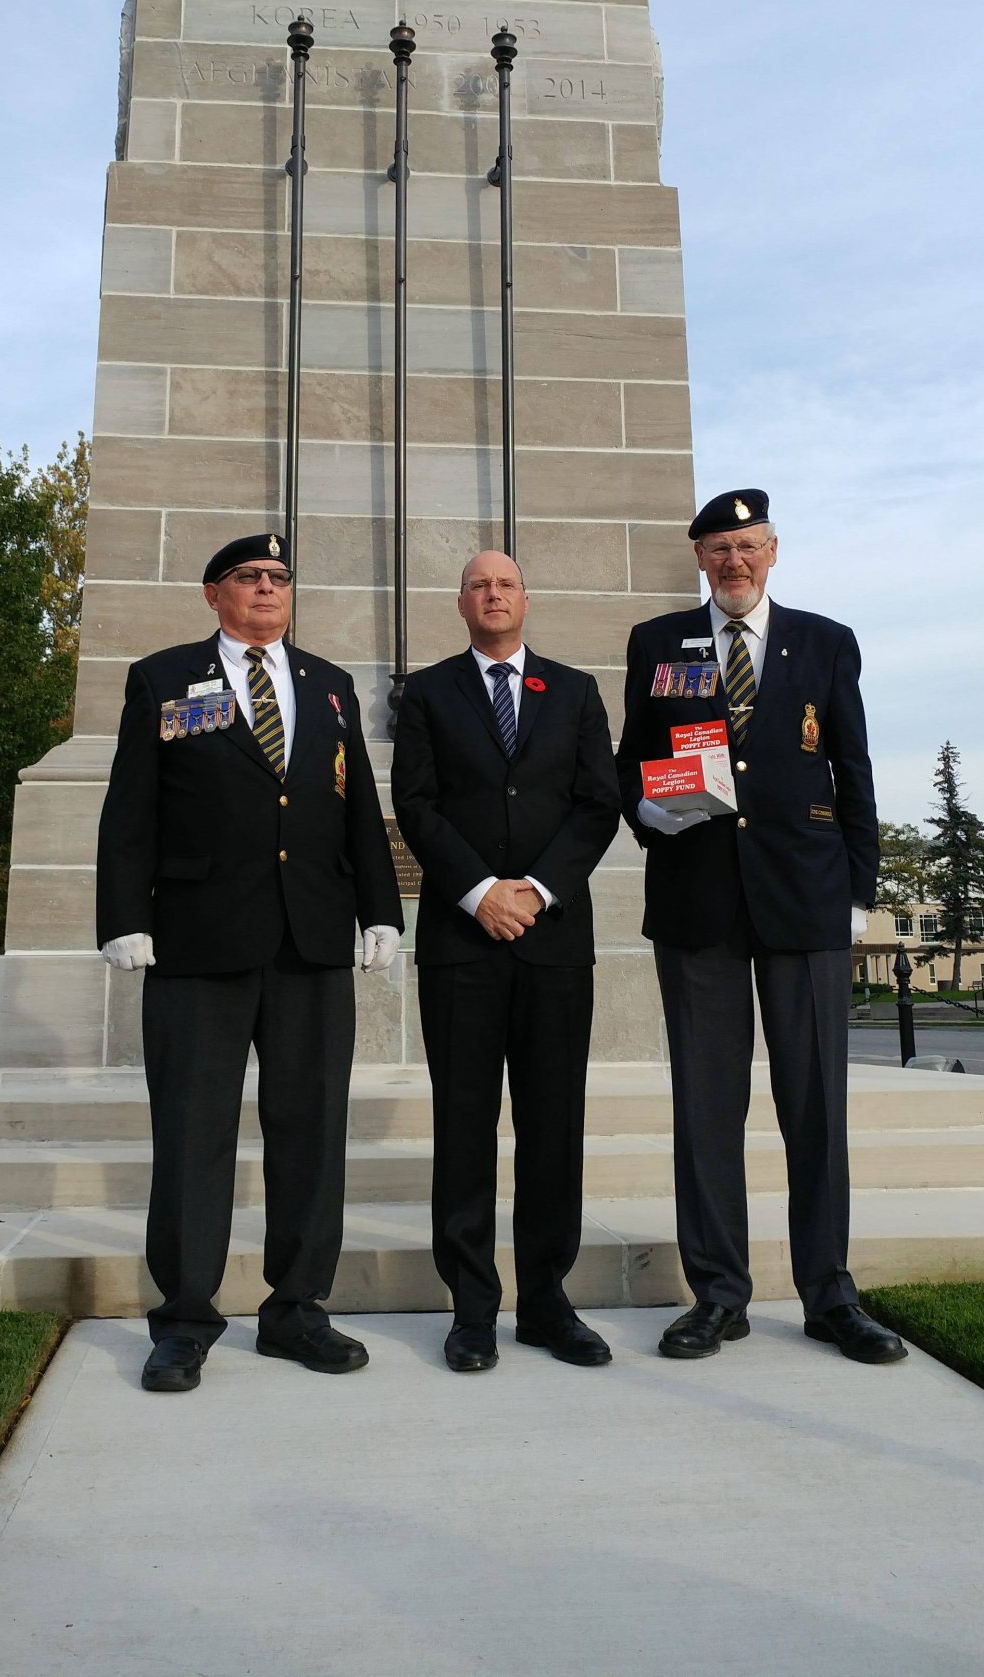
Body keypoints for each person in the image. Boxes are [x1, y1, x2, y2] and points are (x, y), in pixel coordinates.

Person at [96, 532, 403, 1391]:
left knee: (311, 1131)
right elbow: (131, 808)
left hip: (310, 941)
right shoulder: (163, 678)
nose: (267, 588)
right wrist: (123, 916)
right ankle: (186, 1319)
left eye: (279, 577)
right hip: (198, 940)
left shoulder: (330, 685)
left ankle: (297, 1309)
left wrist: (380, 910)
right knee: (194, 1132)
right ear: (213, 594)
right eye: (249, 577)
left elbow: (356, 806)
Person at [616, 489, 906, 1365]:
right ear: (698, 558)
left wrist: (859, 891)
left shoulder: (824, 641)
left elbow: (851, 767)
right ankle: (717, 1295)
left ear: (773, 550)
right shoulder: (658, 643)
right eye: (717, 549)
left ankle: (829, 1295)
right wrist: (650, 810)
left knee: (815, 1105)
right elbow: (634, 756)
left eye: (747, 546)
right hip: (698, 900)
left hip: (805, 899)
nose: (733, 562)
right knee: (707, 1109)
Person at [391, 551, 621, 1372]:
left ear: (528, 597)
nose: (494, 593)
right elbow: (413, 803)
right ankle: (474, 1307)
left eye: (507, 583)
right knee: (464, 1125)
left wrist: (540, 889)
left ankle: (548, 1301)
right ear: (460, 602)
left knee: (554, 1124)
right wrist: (481, 890)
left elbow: (601, 802)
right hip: (461, 943)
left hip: (555, 942)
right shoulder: (425, 693)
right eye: (480, 584)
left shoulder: (578, 691)